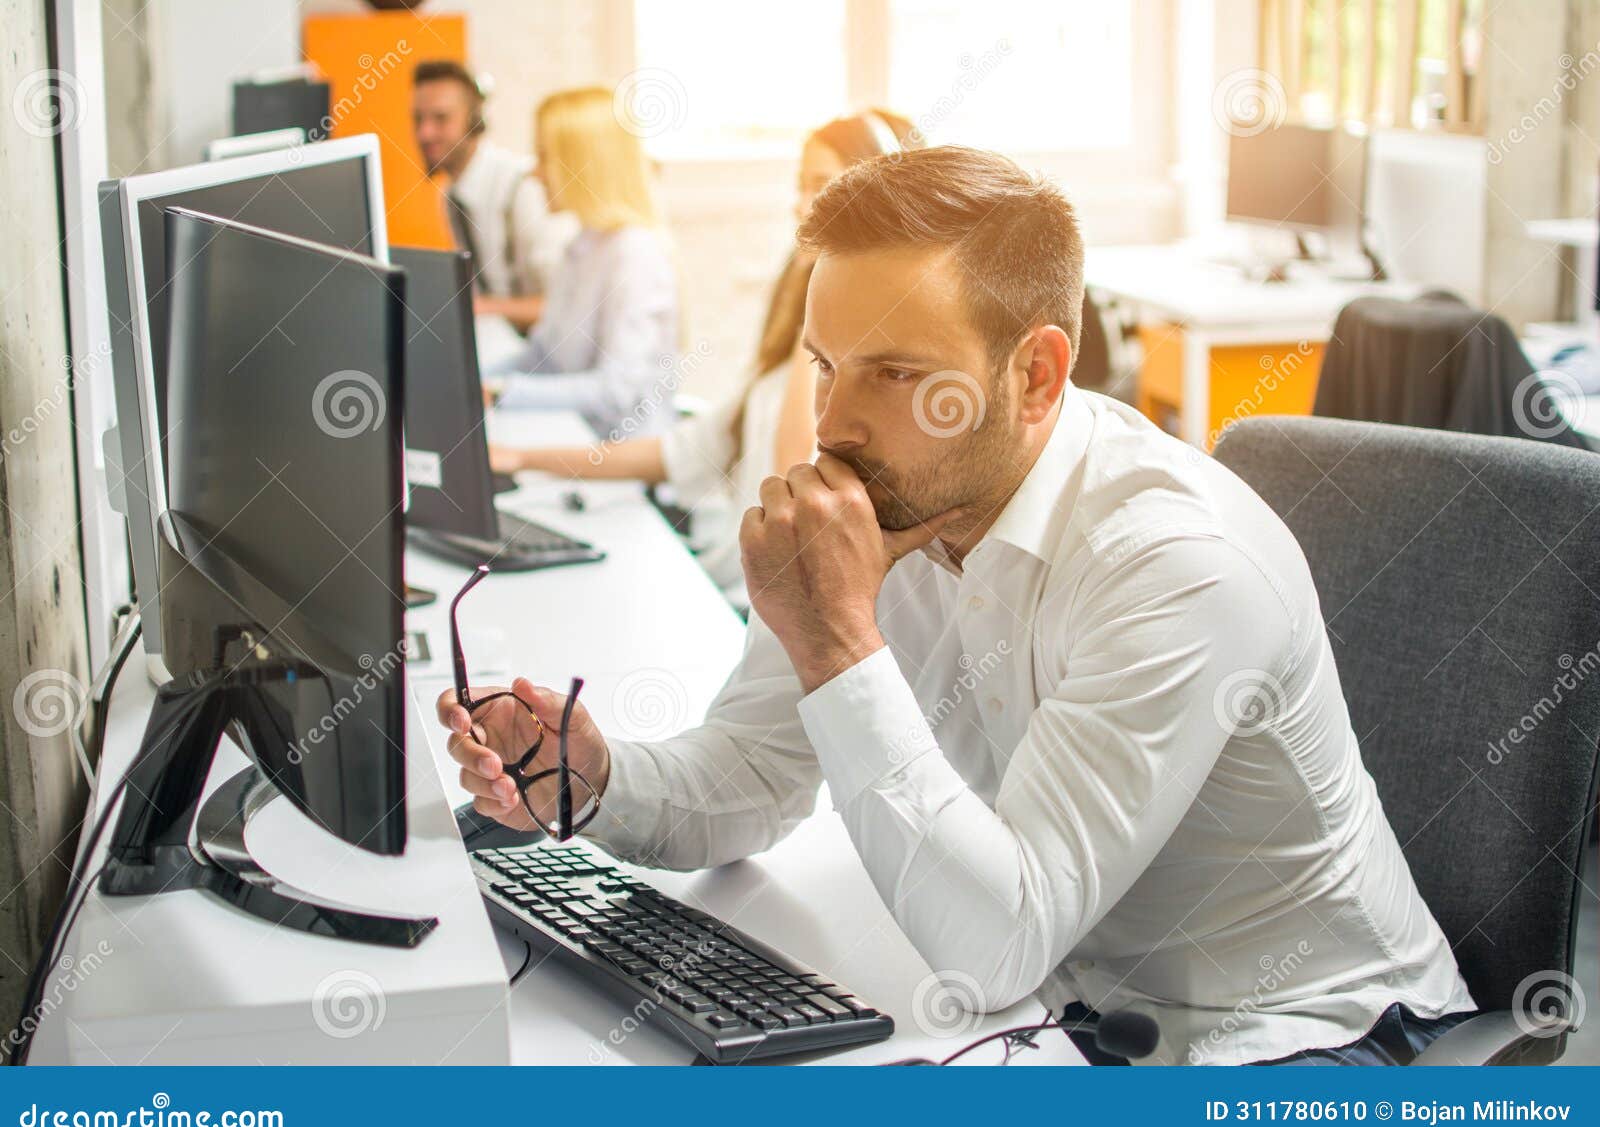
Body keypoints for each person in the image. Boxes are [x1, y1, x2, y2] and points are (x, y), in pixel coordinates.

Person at [438, 147, 1475, 1066]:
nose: (833, 422)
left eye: (894, 374)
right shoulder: (897, 496)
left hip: (1298, 1038)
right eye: (826, 367)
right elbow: (754, 773)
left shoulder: (1172, 564)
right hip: (1067, 1004)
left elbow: (994, 945)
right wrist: (599, 779)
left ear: (1034, 376)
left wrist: (839, 636)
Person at [490, 110, 917, 603]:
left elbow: (794, 484)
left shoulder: (865, 354)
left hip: (756, 603)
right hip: (722, 574)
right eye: (801, 186)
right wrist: (523, 458)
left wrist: (820, 310)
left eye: (822, 185)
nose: (802, 207)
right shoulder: (788, 341)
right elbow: (685, 449)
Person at [480, 86, 680, 442]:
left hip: (620, 461)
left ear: (581, 166)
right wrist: (472, 382)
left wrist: (501, 392)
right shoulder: (581, 245)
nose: (534, 173)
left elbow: (615, 393)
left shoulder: (635, 254)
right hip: (573, 437)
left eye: (545, 157)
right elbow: (544, 355)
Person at [411, 60, 576, 330]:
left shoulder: (523, 188)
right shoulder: (451, 196)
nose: (424, 133)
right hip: (498, 340)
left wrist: (480, 308)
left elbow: (562, 307)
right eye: (418, 119)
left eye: (440, 118)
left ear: (475, 121)